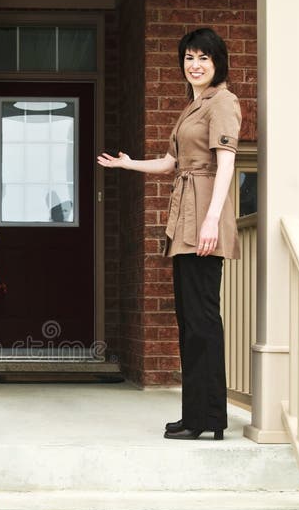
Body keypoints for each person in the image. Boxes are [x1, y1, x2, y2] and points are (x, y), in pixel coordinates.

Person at [98, 27, 241, 440]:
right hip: (185, 216)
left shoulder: (223, 102)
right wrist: (128, 165)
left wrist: (212, 219)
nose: (195, 66)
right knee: (190, 319)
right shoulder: (192, 107)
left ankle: (207, 417)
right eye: (189, 58)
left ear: (218, 64)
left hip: (202, 216)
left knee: (201, 320)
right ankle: (198, 413)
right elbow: (169, 162)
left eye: (204, 59)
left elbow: (227, 164)